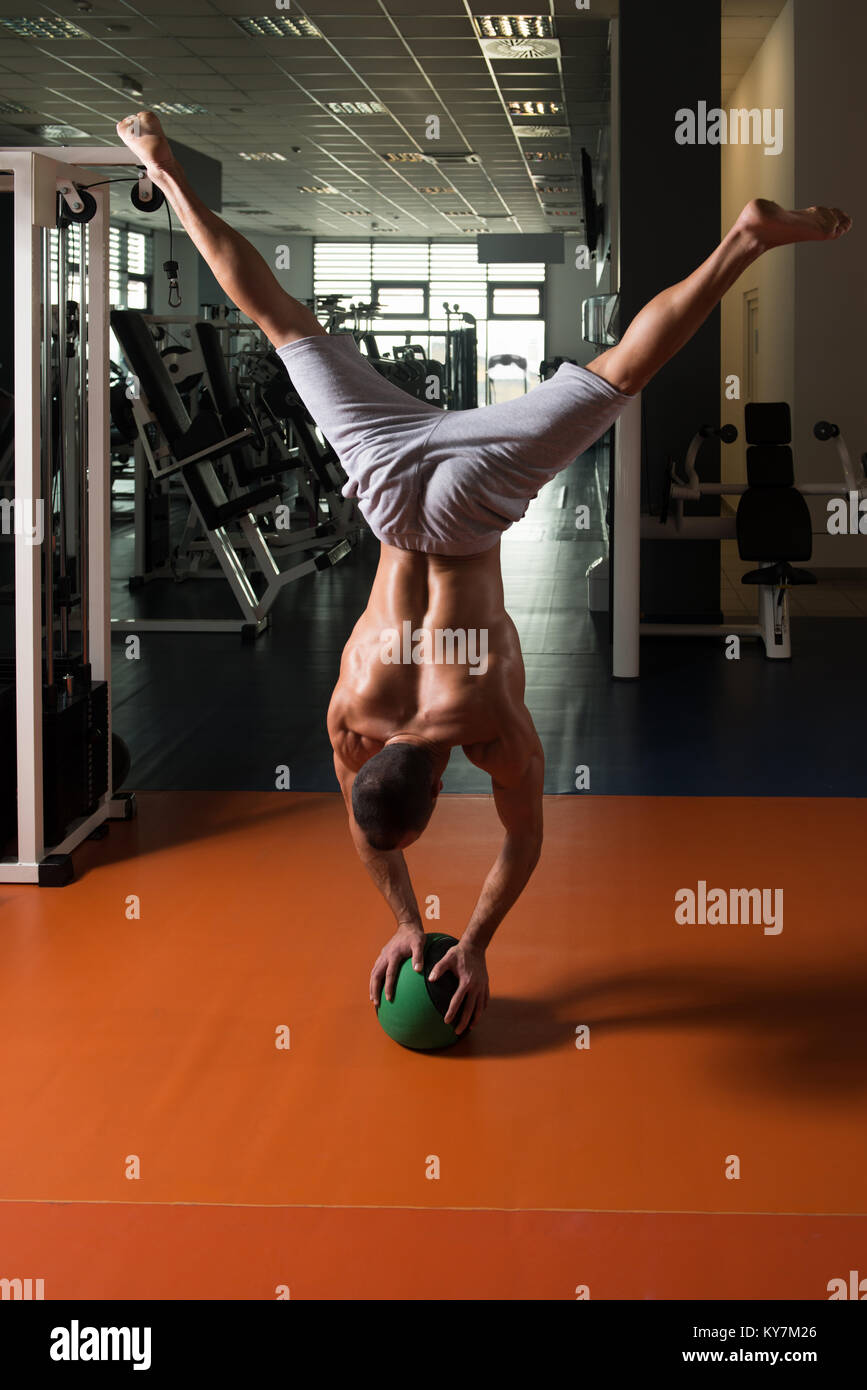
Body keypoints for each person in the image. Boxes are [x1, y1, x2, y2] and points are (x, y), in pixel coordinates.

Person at [116, 111, 852, 1037]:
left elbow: (522, 836)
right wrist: (425, 928)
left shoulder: (486, 725)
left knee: (625, 371)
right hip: (385, 482)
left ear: (435, 801)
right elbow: (362, 808)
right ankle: (163, 166)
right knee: (278, 316)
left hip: (469, 509)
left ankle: (741, 242)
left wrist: (450, 935)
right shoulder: (351, 715)